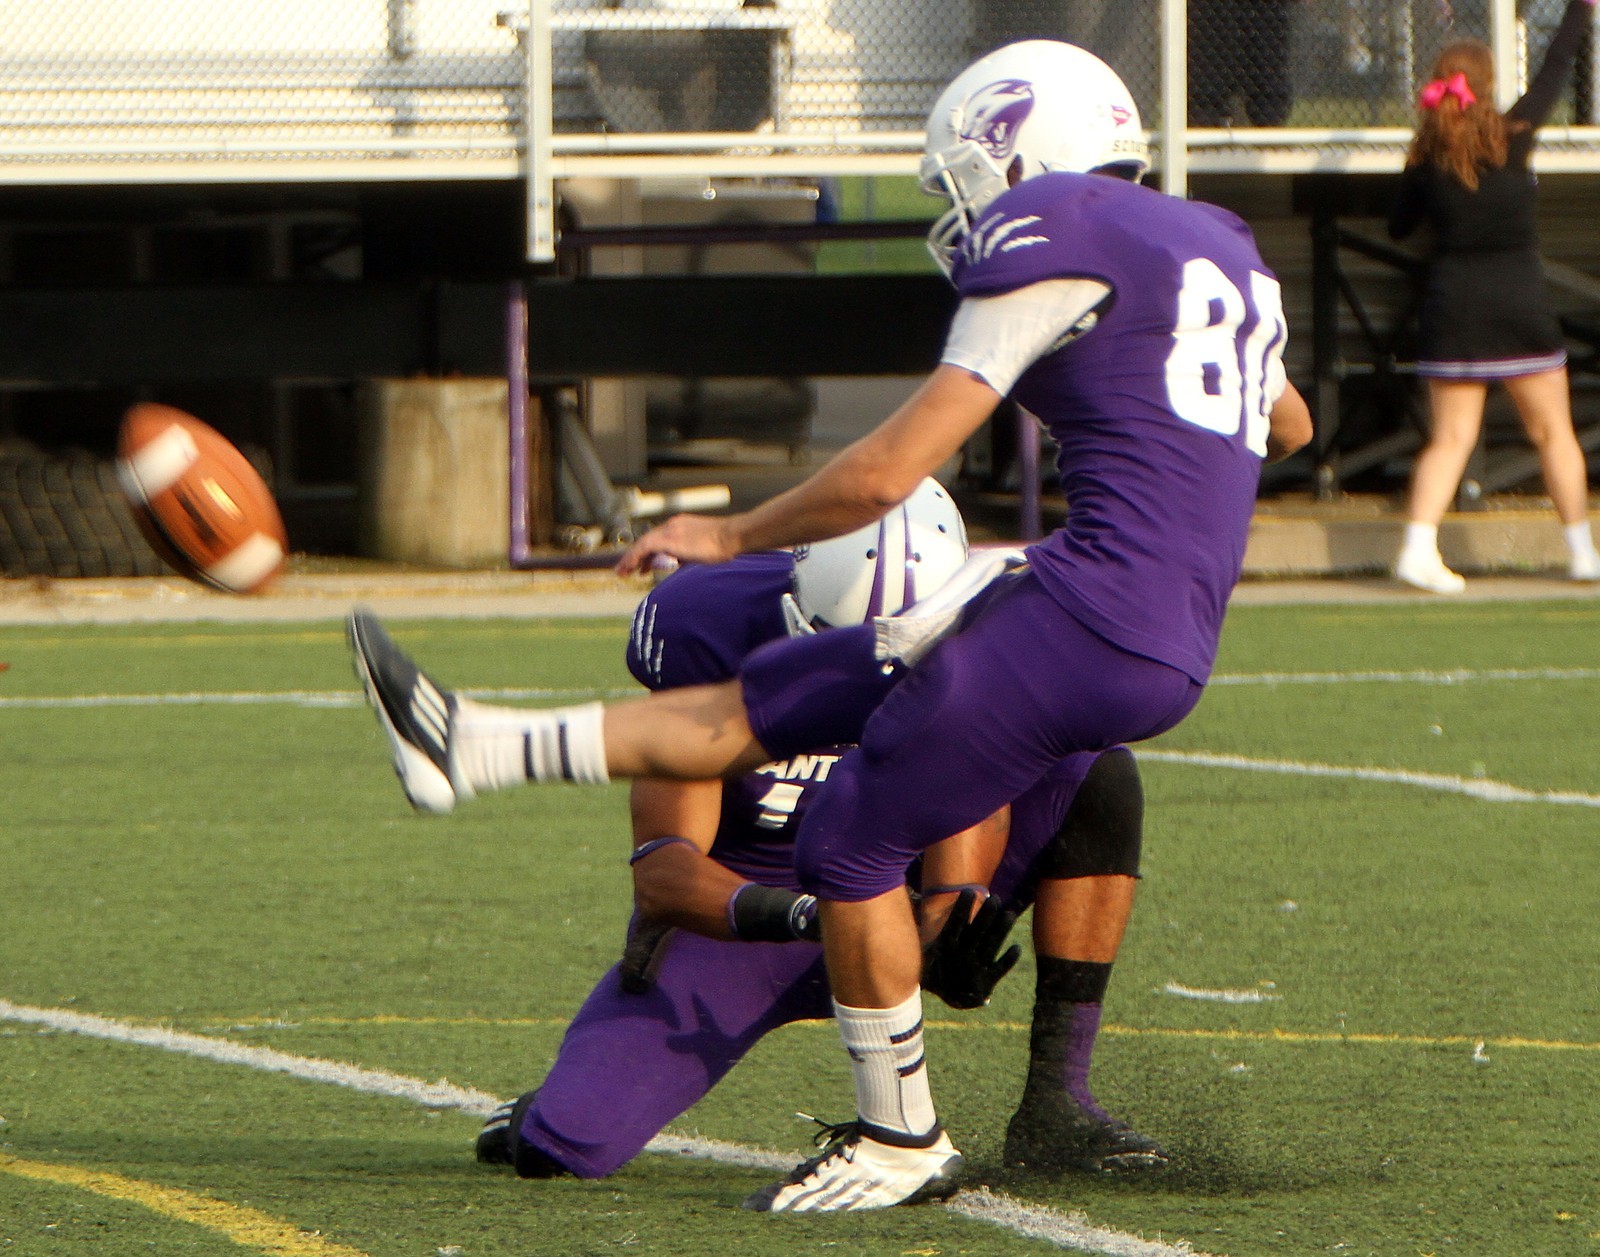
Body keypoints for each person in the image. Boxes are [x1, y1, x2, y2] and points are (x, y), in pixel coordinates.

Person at [349, 39, 1312, 1212]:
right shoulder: (1216, 242)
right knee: (785, 696)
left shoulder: (1054, 230)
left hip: (1093, 607)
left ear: (1022, 146)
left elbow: (886, 472)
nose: (962, 204)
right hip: (1144, 612)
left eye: (968, 172)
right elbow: (1289, 424)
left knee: (847, 837)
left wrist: (729, 531)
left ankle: (901, 1139)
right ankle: (473, 746)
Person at [472, 536, 1165, 1182]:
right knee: (564, 1144)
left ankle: (1058, 1097)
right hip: (763, 899)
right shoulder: (708, 628)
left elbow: (975, 786)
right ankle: (554, 1102)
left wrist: (950, 912)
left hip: (897, 869)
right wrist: (816, 917)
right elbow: (664, 870)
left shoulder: (994, 614)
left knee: (1092, 769)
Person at [1389, 0, 1600, 593]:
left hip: (1453, 306)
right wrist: (1581, 9)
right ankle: (1582, 552)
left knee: (1451, 438)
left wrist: (1421, 166)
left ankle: (1416, 547)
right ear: (1486, 88)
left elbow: (1398, 228)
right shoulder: (1516, 133)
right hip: (1518, 305)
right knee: (1553, 432)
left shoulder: (1427, 157)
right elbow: (1558, 65)